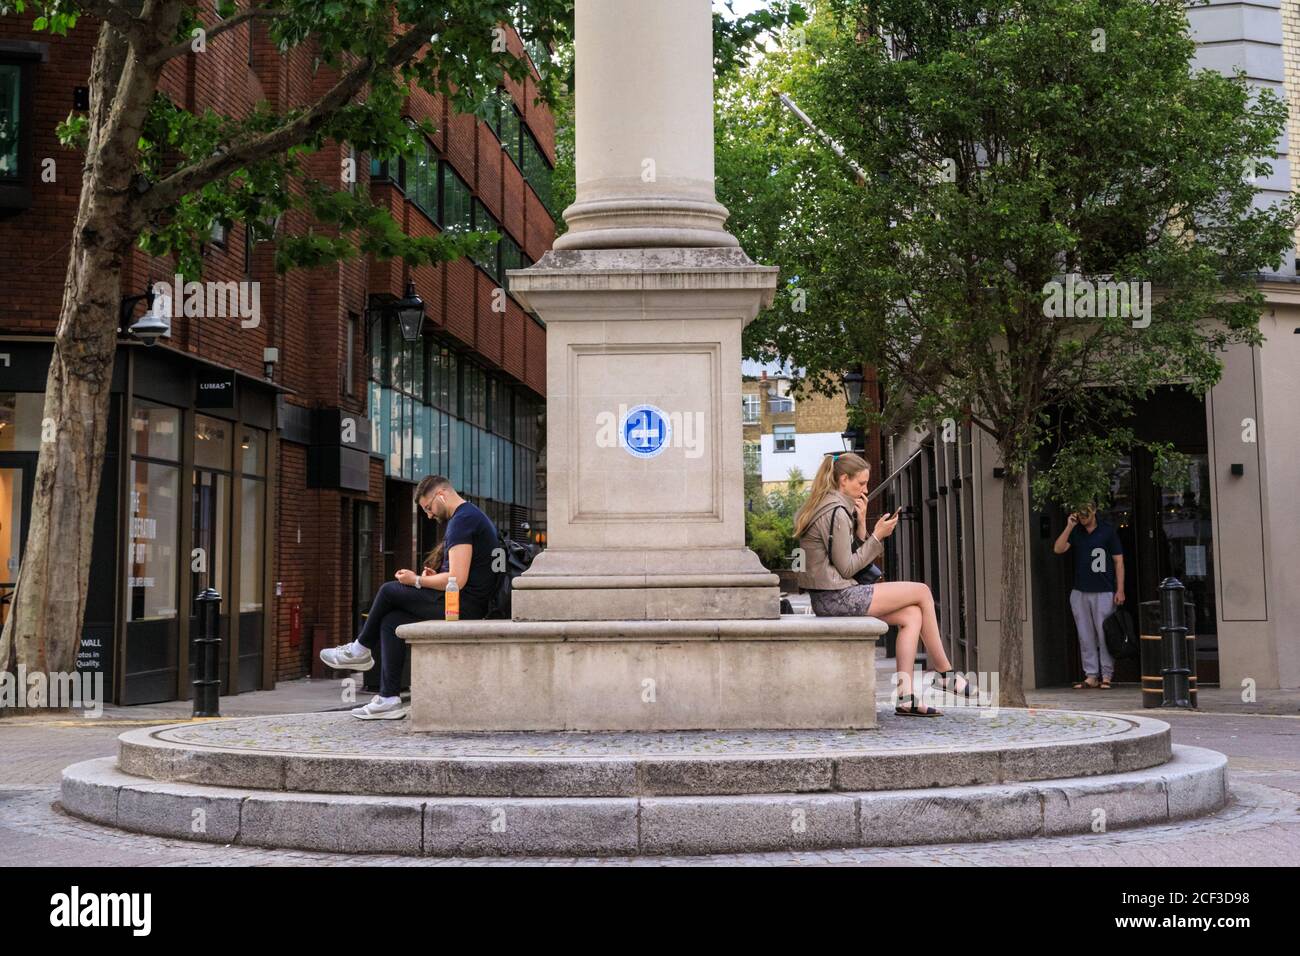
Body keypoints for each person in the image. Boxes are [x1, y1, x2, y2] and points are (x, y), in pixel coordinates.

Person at [792, 452, 975, 717]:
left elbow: (847, 556)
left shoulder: (830, 506)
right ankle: (944, 672)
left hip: (831, 595)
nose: (865, 489)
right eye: (861, 483)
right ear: (844, 480)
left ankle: (906, 697)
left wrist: (863, 528)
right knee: (922, 591)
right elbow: (847, 567)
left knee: (912, 615)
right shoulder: (836, 511)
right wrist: (878, 536)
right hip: (837, 597)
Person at [320, 475, 499, 718]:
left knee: (389, 590)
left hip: (462, 606)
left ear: (441, 496)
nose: (429, 515)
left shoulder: (462, 520)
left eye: (428, 508)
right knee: (391, 619)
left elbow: (457, 579)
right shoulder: (471, 516)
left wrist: (416, 580)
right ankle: (388, 699)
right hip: (465, 602)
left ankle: (360, 649)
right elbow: (458, 576)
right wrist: (433, 578)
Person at [1053, 502, 1125, 690]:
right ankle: (1091, 674)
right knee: (1085, 635)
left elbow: (1118, 561)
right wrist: (1069, 526)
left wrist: (1120, 589)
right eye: (1080, 513)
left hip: (1103, 589)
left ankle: (1107, 674)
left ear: (1094, 511)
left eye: (1086, 513)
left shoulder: (1107, 531)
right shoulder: (1077, 532)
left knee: (1104, 634)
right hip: (1081, 590)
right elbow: (1058, 549)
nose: (1083, 517)